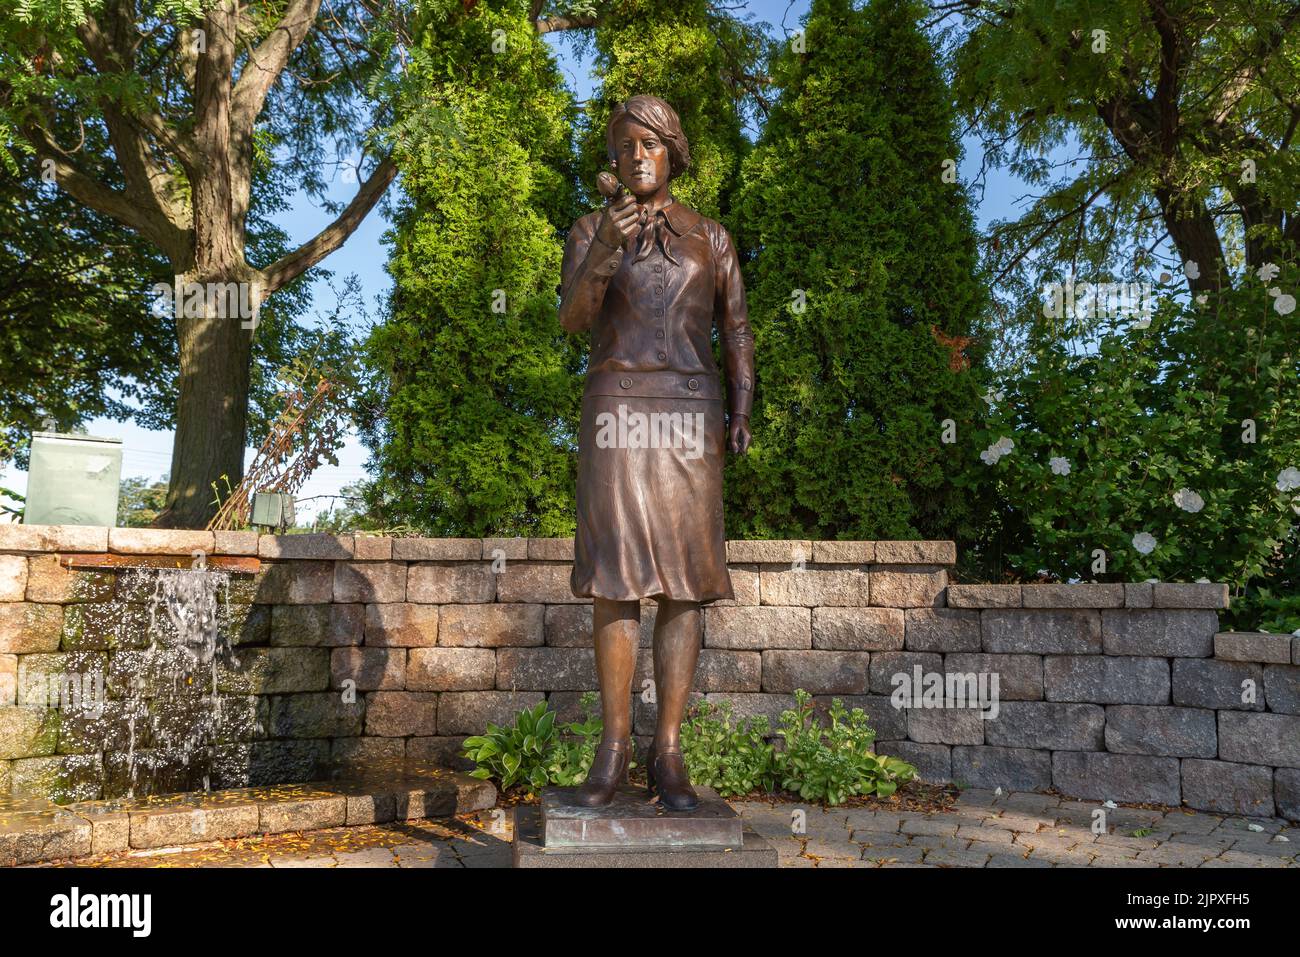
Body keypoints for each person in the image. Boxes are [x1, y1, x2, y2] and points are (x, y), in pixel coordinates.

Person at [557, 94, 755, 810]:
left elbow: (736, 328)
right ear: (613, 160)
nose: (636, 156)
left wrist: (740, 406)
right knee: (615, 576)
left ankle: (666, 750)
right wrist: (608, 244)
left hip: (690, 414)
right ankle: (611, 748)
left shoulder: (712, 236)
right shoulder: (589, 229)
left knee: (686, 577)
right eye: (624, 146)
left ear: (673, 151)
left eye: (650, 143)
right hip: (616, 407)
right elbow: (573, 318)